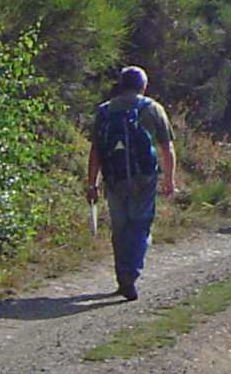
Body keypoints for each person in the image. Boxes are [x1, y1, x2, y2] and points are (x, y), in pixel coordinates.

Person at [85, 66, 177, 301]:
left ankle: (121, 276)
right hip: (143, 179)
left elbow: (95, 150)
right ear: (143, 86)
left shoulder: (105, 111)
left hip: (113, 178)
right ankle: (130, 275)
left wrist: (91, 183)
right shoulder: (152, 108)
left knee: (120, 228)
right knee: (140, 225)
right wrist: (169, 179)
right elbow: (166, 148)